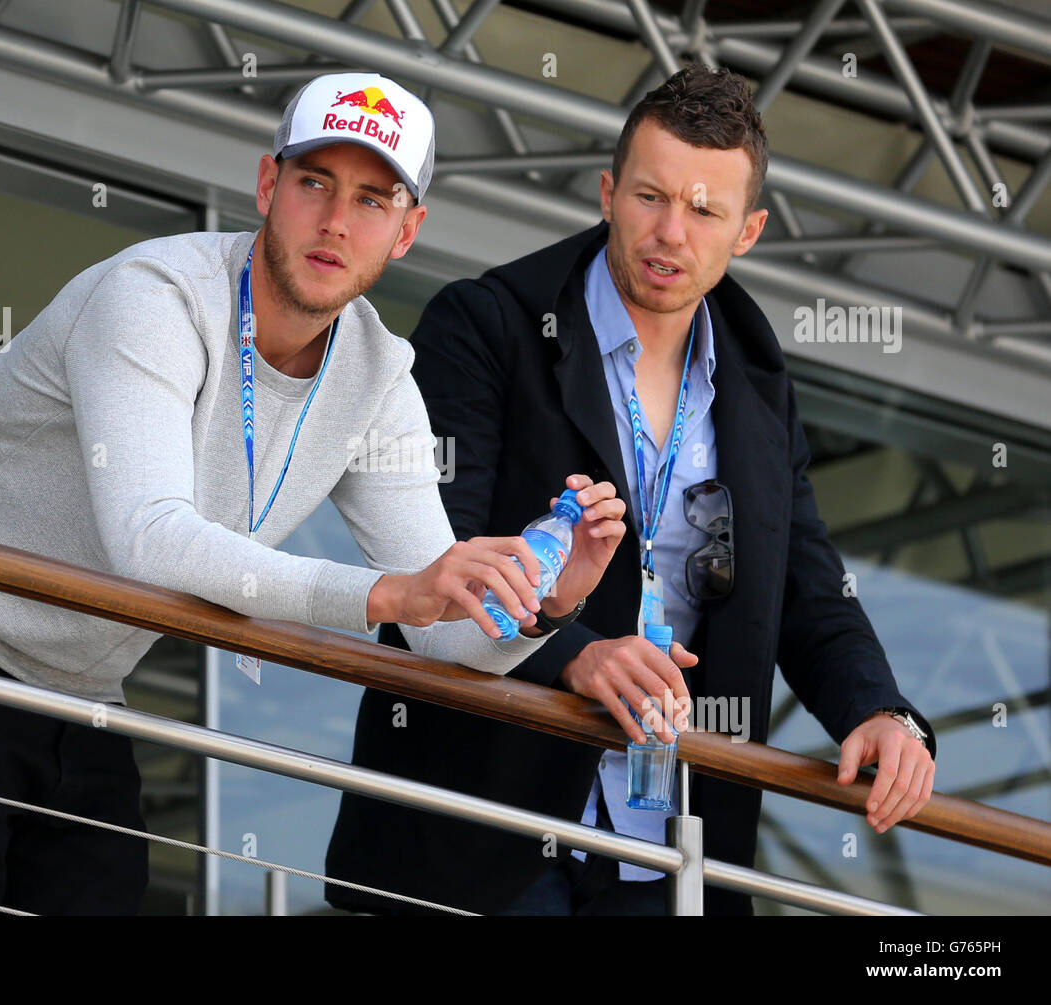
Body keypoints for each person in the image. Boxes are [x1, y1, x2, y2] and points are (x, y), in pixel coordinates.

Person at [0, 71, 628, 915]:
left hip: (79, 694)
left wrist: (540, 605)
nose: (336, 221)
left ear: (407, 231)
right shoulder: (157, 296)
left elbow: (436, 638)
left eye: (372, 200)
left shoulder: (381, 376)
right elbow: (151, 536)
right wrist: (392, 594)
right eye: (315, 182)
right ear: (268, 184)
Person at [325, 65, 937, 917]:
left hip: (669, 856)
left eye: (705, 210)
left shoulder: (760, 386)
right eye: (650, 197)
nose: (670, 232)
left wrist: (880, 711)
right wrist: (575, 653)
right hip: (482, 835)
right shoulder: (488, 326)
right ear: (609, 191)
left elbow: (807, 583)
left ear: (749, 231)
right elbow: (430, 561)